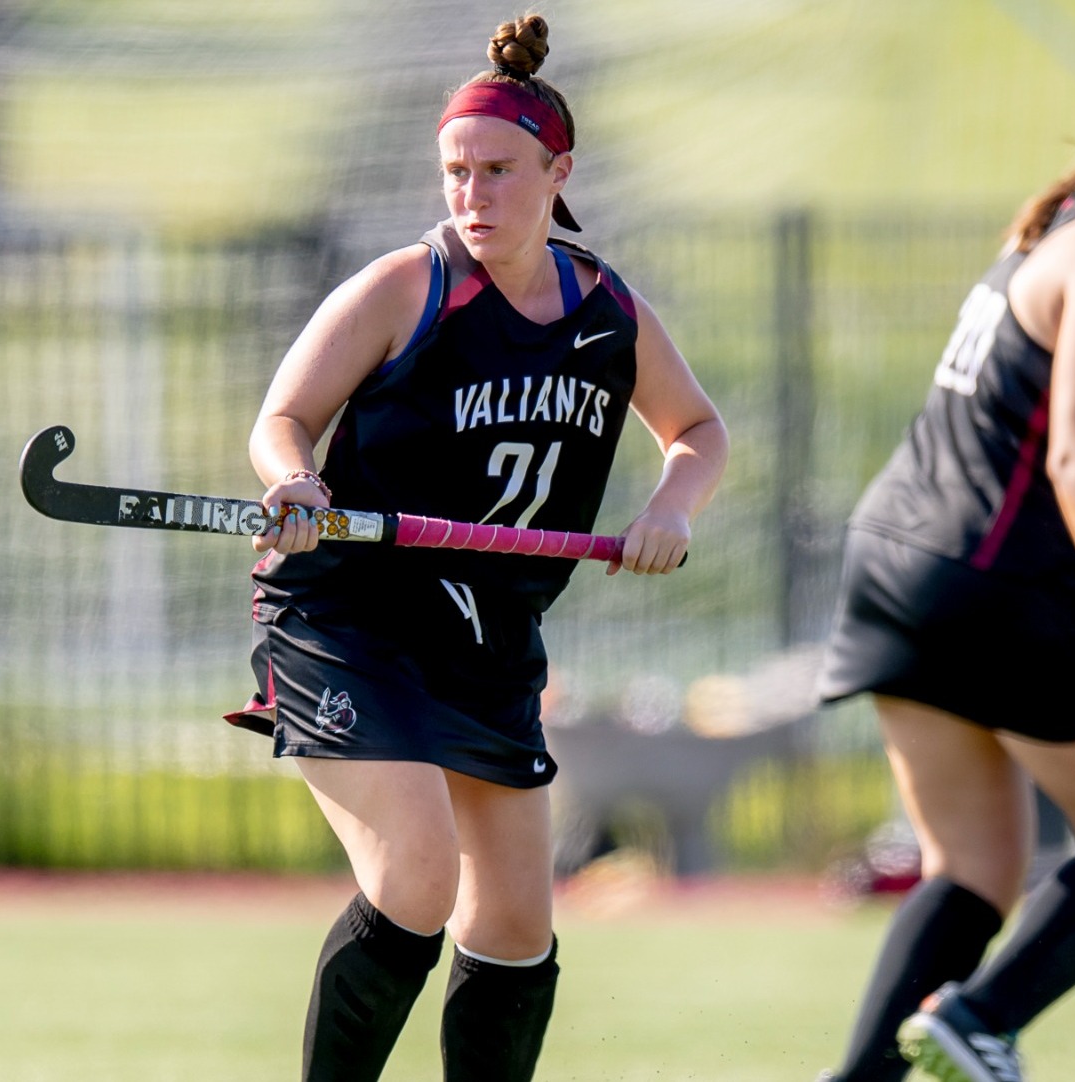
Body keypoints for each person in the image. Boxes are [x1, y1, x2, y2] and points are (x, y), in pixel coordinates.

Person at [223, 15, 727, 1080]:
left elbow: (699, 431)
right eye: (456, 171)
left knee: (514, 928)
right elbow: (282, 418)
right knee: (417, 873)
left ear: (559, 173)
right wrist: (297, 480)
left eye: (499, 170)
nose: (473, 195)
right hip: (347, 612)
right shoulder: (409, 287)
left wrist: (673, 505)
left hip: (487, 638)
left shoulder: (606, 314)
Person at [813, 55, 1075, 1082]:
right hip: (994, 582)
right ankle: (982, 1018)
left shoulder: (1069, 229)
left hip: (896, 566)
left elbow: (1064, 384)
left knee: (976, 867)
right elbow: (1070, 457)